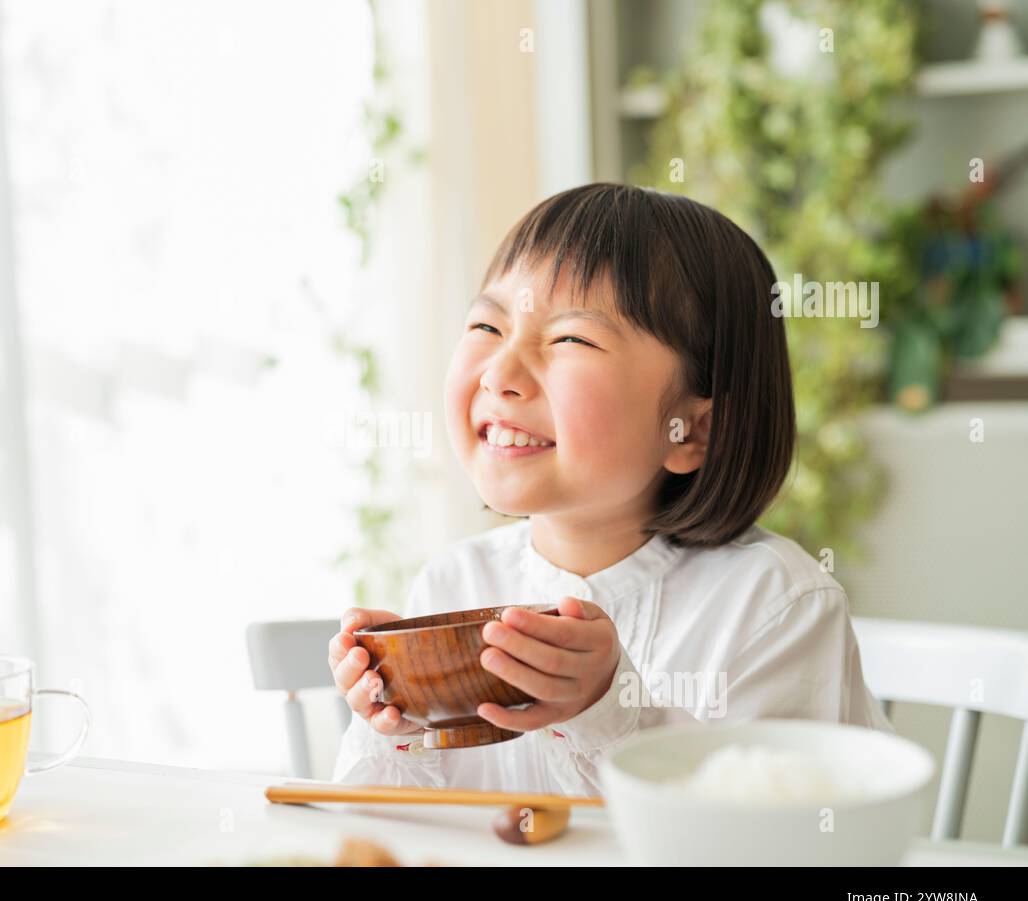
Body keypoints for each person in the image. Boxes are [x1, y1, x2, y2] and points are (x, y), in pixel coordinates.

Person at [328, 183, 891, 796]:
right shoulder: (453, 583)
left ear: (693, 429)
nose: (500, 373)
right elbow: (392, 834)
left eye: (571, 339)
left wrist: (607, 710)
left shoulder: (776, 606)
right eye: (487, 324)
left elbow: (759, 839)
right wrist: (396, 728)